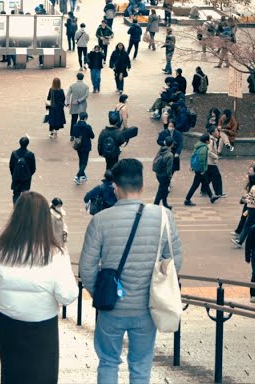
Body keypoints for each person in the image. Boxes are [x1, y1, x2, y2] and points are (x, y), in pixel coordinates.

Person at [79, 159, 184, 384]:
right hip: (147, 308)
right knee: (141, 365)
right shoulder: (164, 217)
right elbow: (175, 263)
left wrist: (100, 293)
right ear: (143, 186)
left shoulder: (100, 220)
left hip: (111, 310)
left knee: (108, 361)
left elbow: (86, 268)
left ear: (115, 188)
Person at [0, 191, 80, 384]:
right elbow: (67, 295)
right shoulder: (56, 254)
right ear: (44, 219)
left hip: (9, 325)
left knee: (12, 375)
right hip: (43, 327)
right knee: (43, 376)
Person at [232, 172, 255, 247]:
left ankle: (240, 241)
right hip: (251, 209)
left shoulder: (254, 189)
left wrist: (248, 201)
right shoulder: (252, 188)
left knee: (247, 226)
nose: (245, 179)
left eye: (247, 178)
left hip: (253, 210)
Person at [183, 134, 211, 207]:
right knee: (195, 185)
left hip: (197, 168)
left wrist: (192, 165)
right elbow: (202, 160)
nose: (210, 140)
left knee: (205, 182)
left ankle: (212, 197)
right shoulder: (204, 148)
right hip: (200, 169)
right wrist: (202, 169)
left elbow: (193, 156)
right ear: (206, 141)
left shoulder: (198, 146)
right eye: (209, 139)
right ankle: (187, 199)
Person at [10, 136, 37, 203]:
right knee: (25, 194)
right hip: (26, 178)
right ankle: (24, 209)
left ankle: (16, 208)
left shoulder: (14, 154)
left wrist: (14, 174)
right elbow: (33, 168)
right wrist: (28, 174)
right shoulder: (30, 154)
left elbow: (11, 166)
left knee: (16, 194)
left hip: (16, 177)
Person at [71, 112, 95, 184]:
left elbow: (74, 134)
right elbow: (92, 136)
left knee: (81, 160)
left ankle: (82, 175)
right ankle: (78, 176)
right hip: (86, 146)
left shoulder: (75, 126)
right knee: (84, 162)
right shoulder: (87, 127)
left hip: (78, 146)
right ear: (85, 118)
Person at [152, 141, 176, 209]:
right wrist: (170, 176)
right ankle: (156, 204)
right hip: (164, 175)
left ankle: (164, 203)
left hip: (158, 173)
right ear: (172, 144)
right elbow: (169, 168)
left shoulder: (161, 150)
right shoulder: (170, 155)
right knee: (161, 190)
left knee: (164, 189)